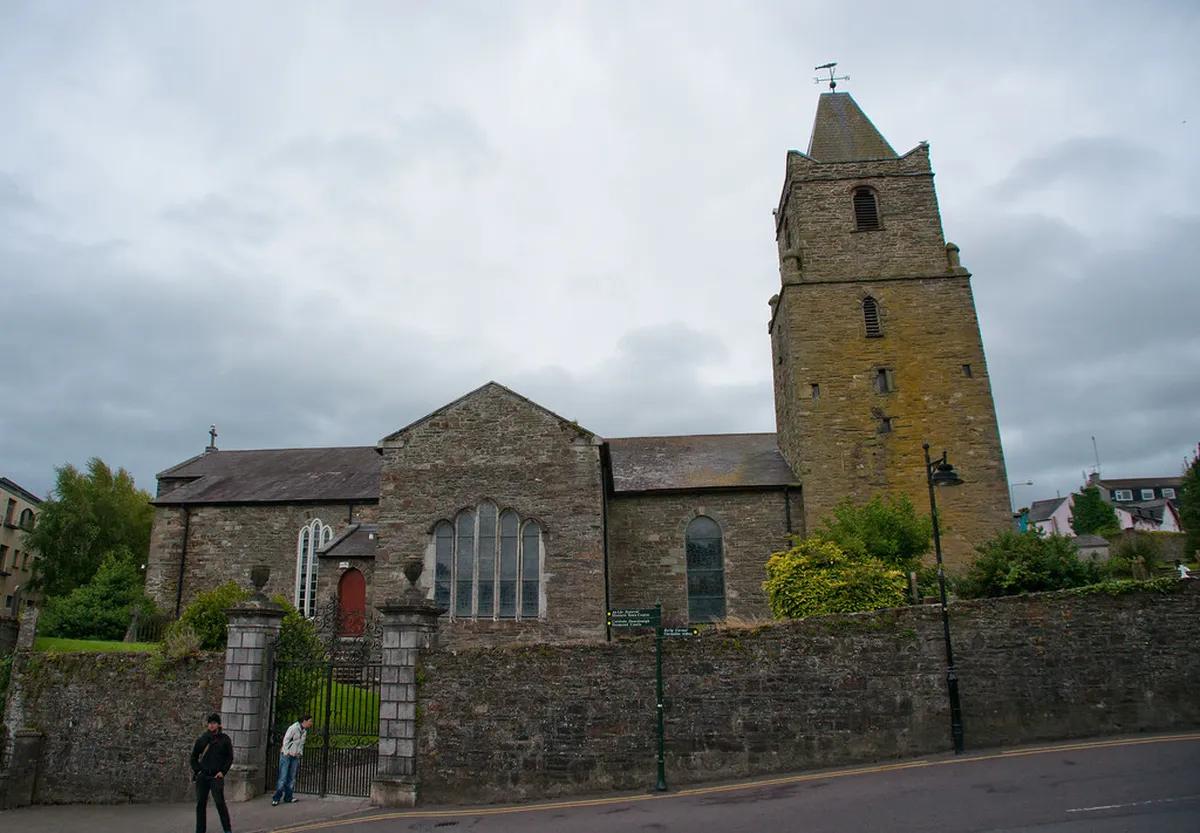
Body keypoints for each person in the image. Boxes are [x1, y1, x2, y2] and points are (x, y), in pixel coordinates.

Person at [190, 712, 234, 833]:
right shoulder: (202, 739)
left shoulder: (225, 739)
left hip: (216, 776)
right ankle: (200, 830)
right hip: (203, 775)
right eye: (210, 723)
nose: (211, 726)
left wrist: (223, 772)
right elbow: (193, 757)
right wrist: (198, 771)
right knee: (200, 804)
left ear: (219, 725)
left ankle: (227, 829)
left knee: (220, 803)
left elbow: (229, 758)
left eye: (214, 723)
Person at [271, 713, 314, 805]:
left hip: (295, 756)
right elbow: (286, 740)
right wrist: (286, 752)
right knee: (283, 777)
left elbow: (301, 744)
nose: (311, 723)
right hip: (286, 755)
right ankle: (276, 798)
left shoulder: (304, 731)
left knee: (292, 777)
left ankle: (288, 797)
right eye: (310, 721)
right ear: (304, 721)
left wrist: (299, 753)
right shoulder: (293, 728)